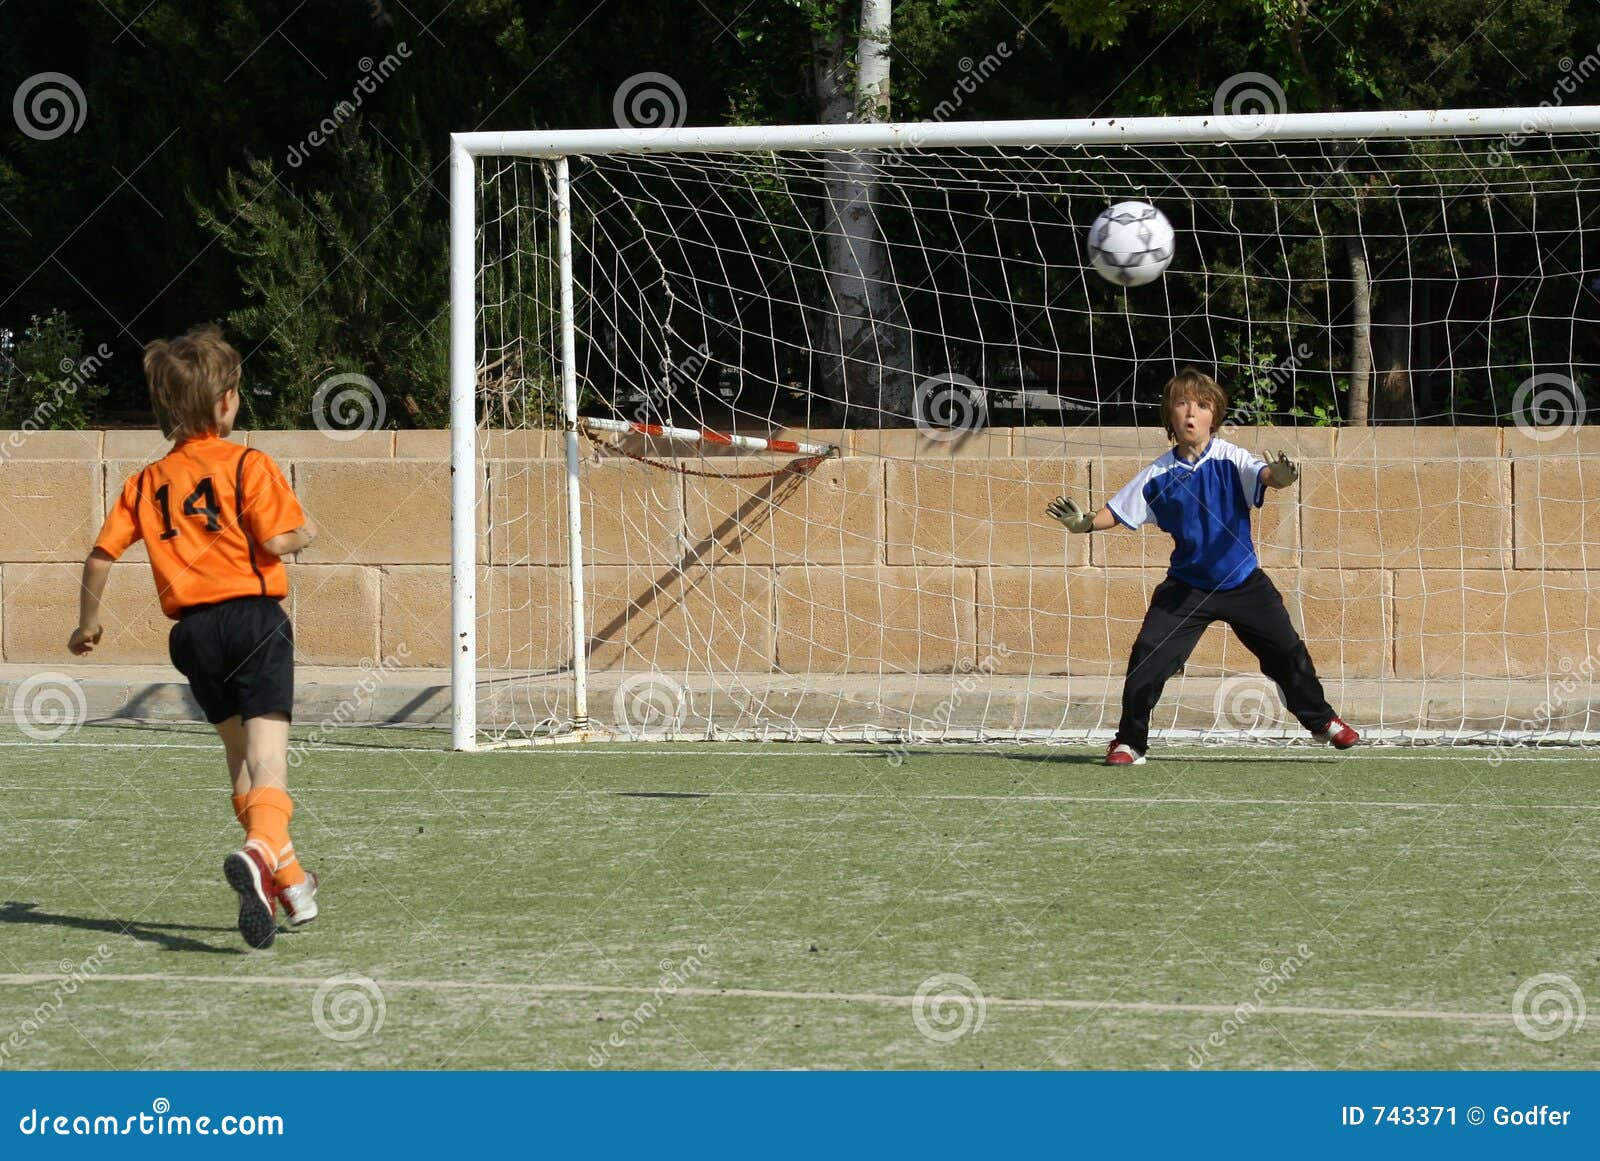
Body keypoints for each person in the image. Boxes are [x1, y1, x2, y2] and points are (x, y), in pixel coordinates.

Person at [70, 325, 319, 947]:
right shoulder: (249, 464)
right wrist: (305, 533)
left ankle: (290, 881)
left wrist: (88, 623)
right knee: (270, 763)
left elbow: (99, 557)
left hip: (193, 636)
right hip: (255, 622)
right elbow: (275, 538)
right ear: (228, 401)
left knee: (240, 760)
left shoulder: (145, 482)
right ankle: (262, 851)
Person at [1047, 366, 1359, 765]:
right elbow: (1116, 511)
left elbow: (1264, 475)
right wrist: (1085, 523)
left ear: (1216, 415)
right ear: (1170, 418)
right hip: (1187, 588)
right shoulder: (1157, 474)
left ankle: (1322, 721)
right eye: (1181, 404)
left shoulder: (1232, 458)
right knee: (1148, 655)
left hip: (1244, 582)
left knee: (1287, 652)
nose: (1191, 412)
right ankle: (1129, 742)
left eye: (1202, 405)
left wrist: (1278, 477)